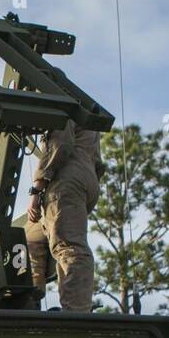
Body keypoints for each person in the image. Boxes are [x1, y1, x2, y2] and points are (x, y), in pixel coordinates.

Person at [24, 118, 103, 312]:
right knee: (29, 236)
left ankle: (76, 312)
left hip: (66, 177)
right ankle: (31, 297)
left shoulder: (58, 99)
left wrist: (37, 189)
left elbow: (61, 144)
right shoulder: (78, 102)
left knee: (69, 247)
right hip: (84, 176)